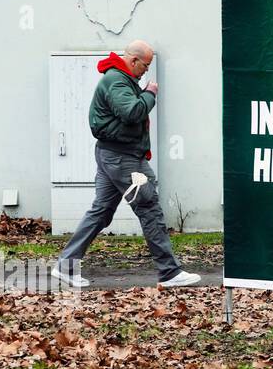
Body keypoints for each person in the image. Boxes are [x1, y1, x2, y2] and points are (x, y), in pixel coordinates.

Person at [52, 41, 200, 289]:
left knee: (101, 211)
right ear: (133, 61)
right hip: (123, 158)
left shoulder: (118, 79)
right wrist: (150, 93)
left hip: (113, 155)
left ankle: (66, 265)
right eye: (146, 65)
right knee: (149, 208)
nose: (146, 71)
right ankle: (169, 271)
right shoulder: (117, 81)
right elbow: (132, 112)